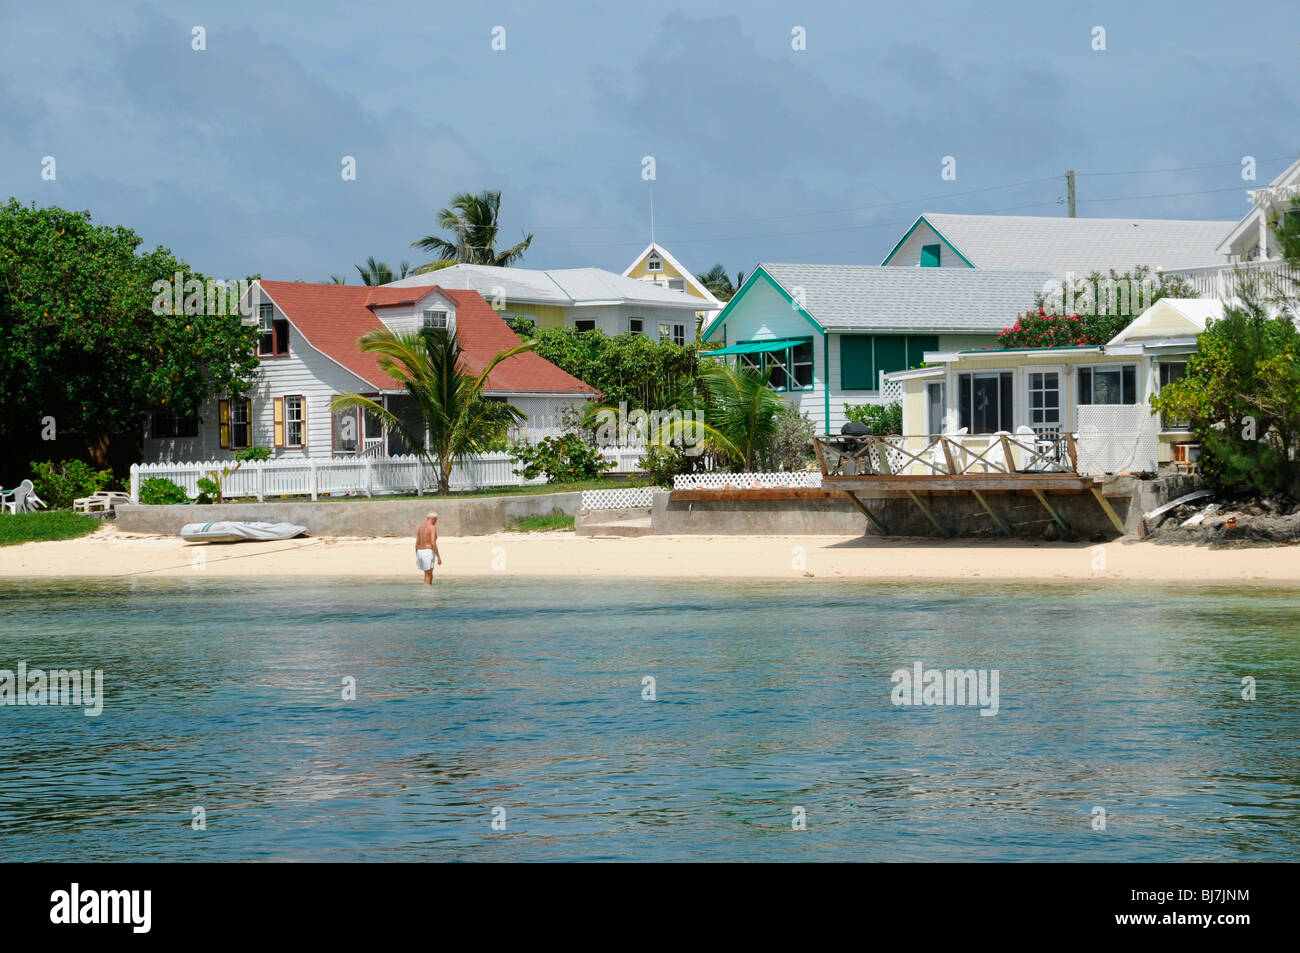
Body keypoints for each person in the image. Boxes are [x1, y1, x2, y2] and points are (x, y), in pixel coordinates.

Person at [415, 512, 441, 584]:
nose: (436, 522)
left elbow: (417, 543)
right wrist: (438, 556)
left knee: (427, 574)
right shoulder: (432, 527)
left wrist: (417, 555)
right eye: (436, 520)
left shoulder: (421, 528)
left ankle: (427, 590)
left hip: (420, 551)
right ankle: (427, 593)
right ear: (434, 519)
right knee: (429, 575)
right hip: (428, 552)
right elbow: (433, 542)